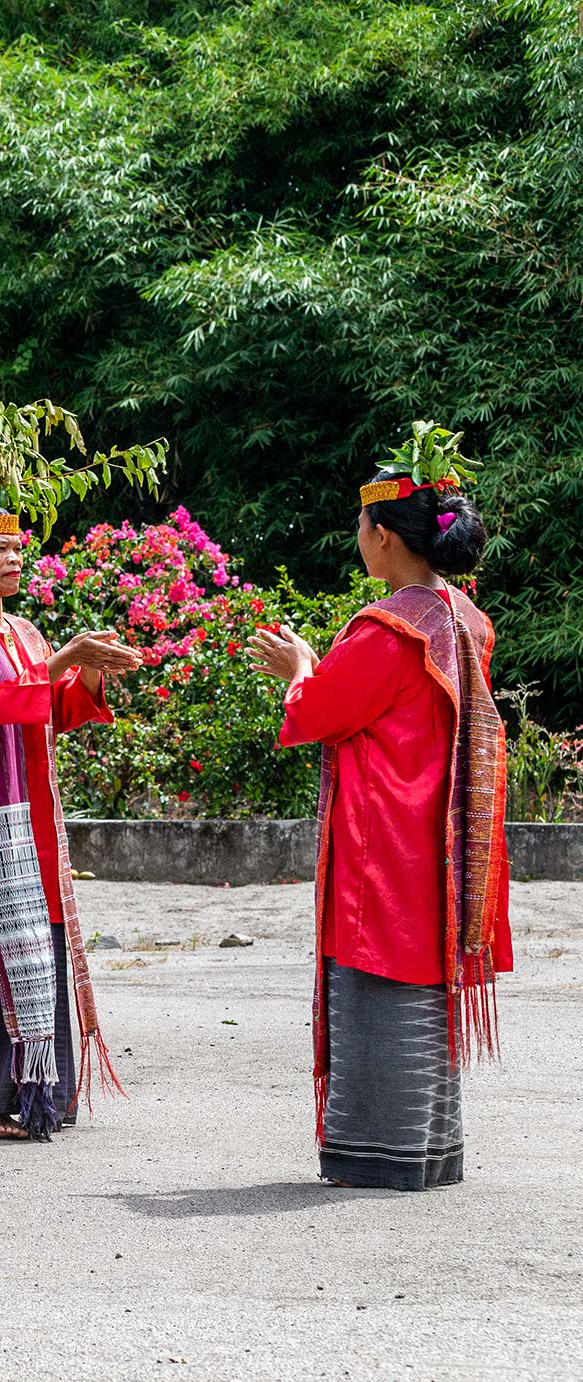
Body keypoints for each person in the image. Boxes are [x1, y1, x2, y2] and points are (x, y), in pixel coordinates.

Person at [250, 462, 509, 1191]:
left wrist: (300, 664)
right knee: (422, 988)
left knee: (376, 983)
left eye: (361, 526)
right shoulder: (462, 616)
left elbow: (317, 713)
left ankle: (379, 1152)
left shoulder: (388, 627)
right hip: (440, 834)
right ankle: (429, 1147)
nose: (357, 538)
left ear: (384, 536)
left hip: (383, 836)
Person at [0, 505, 136, 1141]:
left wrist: (90, 669)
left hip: (31, 820)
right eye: (1, 549)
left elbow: (50, 709)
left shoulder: (26, 634)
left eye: (18, 549)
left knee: (44, 950)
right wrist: (65, 658)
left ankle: (45, 1095)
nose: (15, 560)